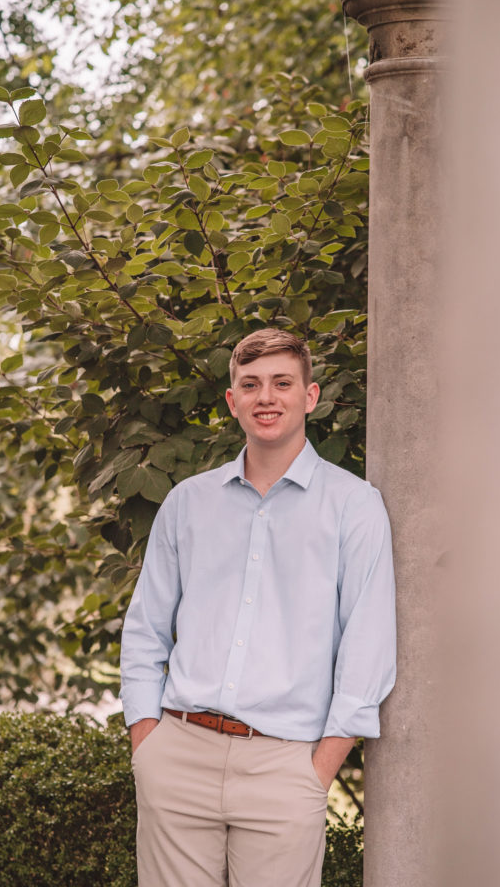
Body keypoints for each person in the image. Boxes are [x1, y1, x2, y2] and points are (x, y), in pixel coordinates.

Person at [120, 328, 396, 887]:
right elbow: (146, 630)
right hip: (178, 754)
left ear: (310, 396)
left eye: (281, 383)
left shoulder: (354, 507)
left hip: (284, 766)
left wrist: (316, 773)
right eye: (251, 384)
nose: (266, 397)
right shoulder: (187, 503)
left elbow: (368, 647)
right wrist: (146, 740)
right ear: (233, 401)